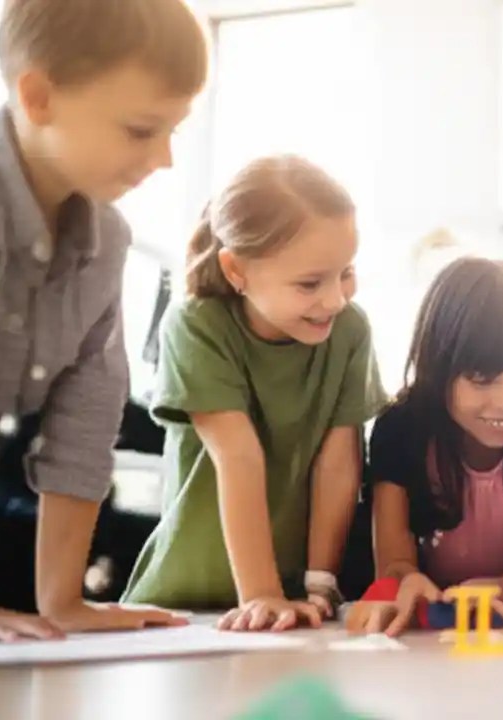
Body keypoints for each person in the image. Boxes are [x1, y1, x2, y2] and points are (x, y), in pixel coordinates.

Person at [0, 0, 206, 643]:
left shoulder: (106, 241)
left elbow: (85, 422)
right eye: (139, 129)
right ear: (40, 96)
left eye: (172, 132)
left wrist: (62, 600)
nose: (163, 160)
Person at [122, 156, 386, 633]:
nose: (335, 299)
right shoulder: (196, 325)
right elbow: (238, 456)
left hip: (293, 599)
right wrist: (259, 593)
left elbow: (339, 461)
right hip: (188, 597)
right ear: (236, 269)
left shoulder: (349, 331)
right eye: (310, 283)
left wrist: (320, 585)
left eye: (345, 272)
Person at [345, 258, 503, 635]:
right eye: (481, 380)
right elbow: (393, 563)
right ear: (438, 370)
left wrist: (480, 593)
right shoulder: (399, 428)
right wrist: (408, 583)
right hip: (420, 632)